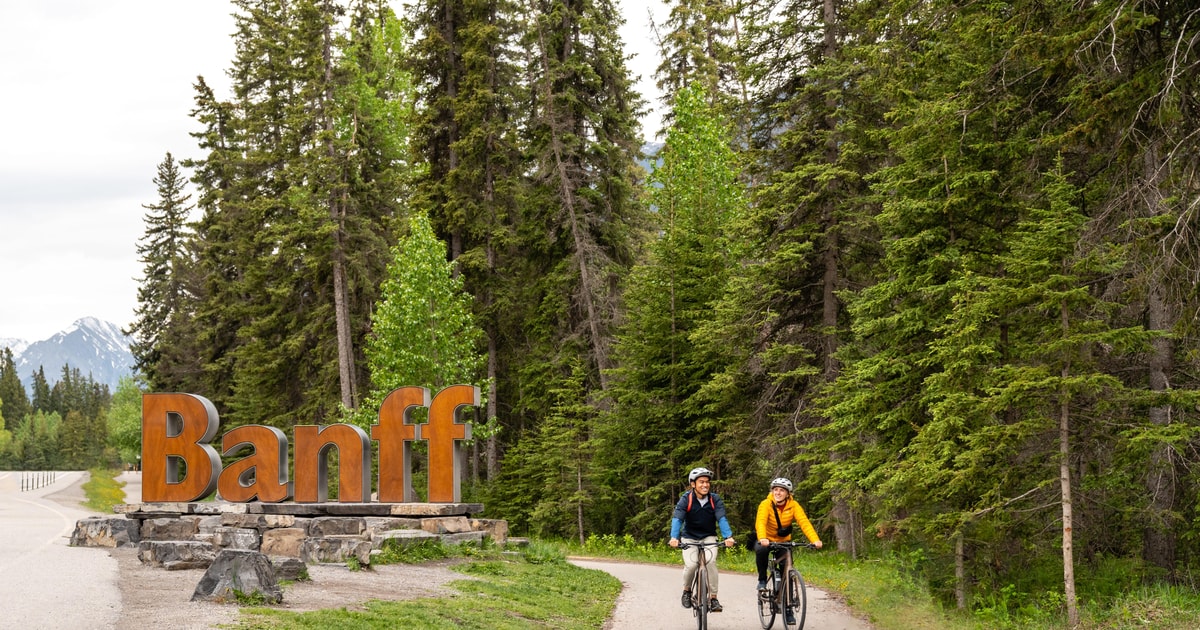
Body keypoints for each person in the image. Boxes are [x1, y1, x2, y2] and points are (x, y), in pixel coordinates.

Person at [755, 477, 822, 625]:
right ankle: (761, 580)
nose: (778, 493)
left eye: (782, 490)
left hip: (784, 541)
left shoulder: (793, 505)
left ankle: (788, 610)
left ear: (788, 493)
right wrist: (762, 537)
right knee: (761, 550)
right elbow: (760, 522)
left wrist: (815, 540)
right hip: (767, 539)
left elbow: (804, 522)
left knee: (788, 571)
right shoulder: (766, 504)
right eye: (776, 490)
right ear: (772, 491)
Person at [668, 466, 736, 613]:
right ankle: (686, 591)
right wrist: (674, 537)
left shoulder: (714, 500)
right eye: (701, 482)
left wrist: (728, 536)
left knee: (711, 562)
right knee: (692, 565)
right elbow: (677, 519)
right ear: (693, 484)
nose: (705, 485)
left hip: (709, 537)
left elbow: (721, 518)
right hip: (689, 538)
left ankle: (713, 598)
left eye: (707, 482)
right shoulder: (686, 499)